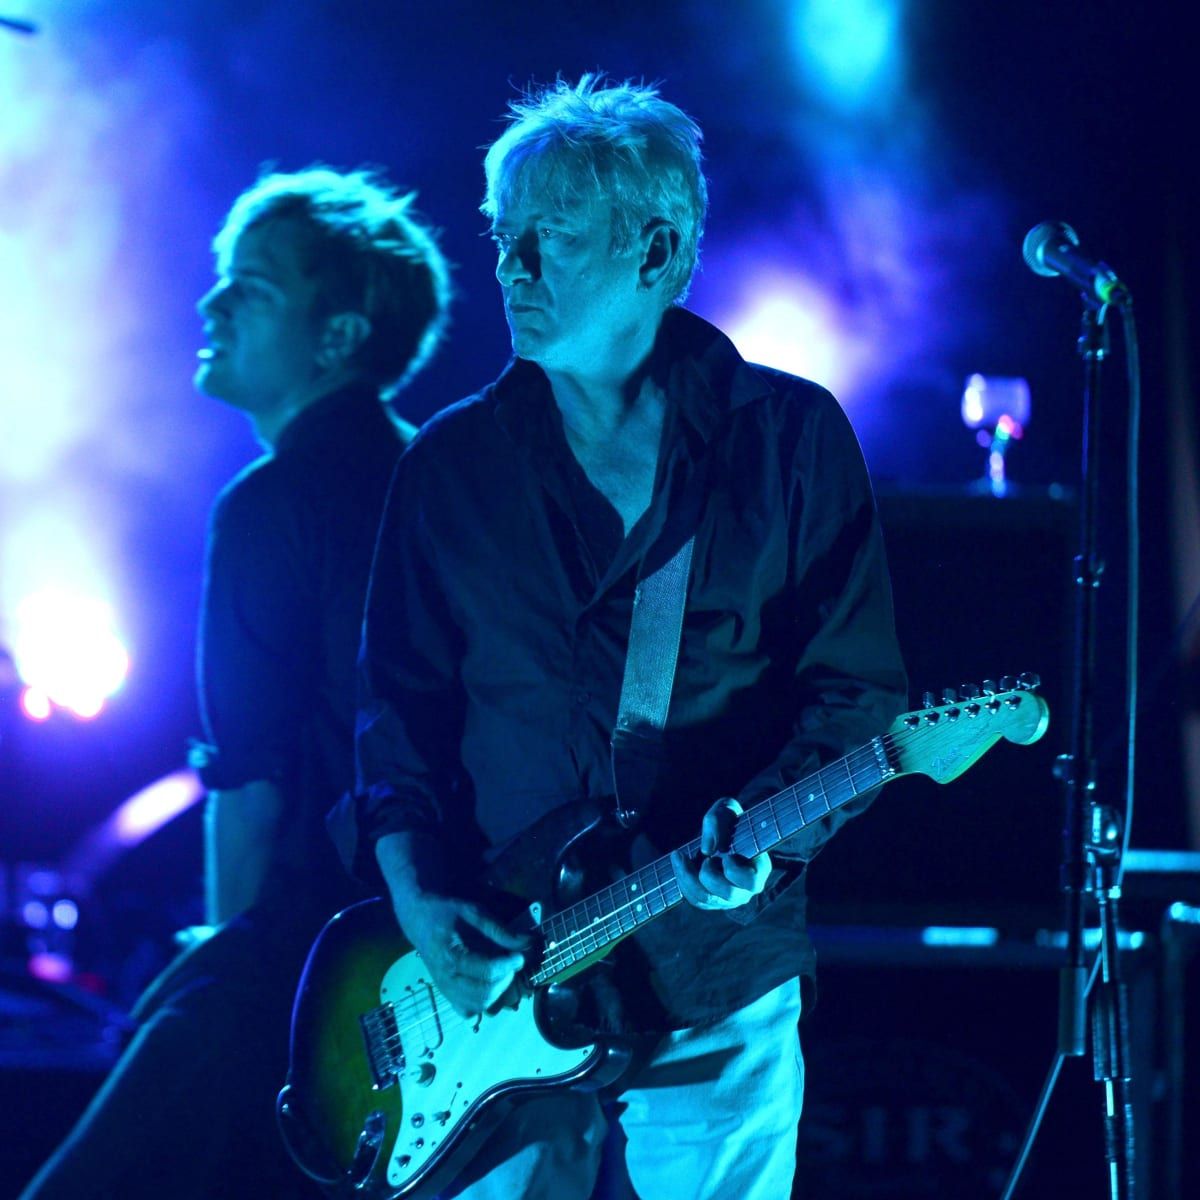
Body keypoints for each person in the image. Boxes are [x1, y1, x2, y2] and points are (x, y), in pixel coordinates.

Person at [345, 77, 907, 1200]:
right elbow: (392, 722)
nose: (509, 268)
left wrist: (762, 850)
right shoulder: (449, 469)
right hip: (494, 989)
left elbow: (859, 699)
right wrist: (416, 902)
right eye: (502, 239)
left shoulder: (787, 442)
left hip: (715, 980)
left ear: (655, 253)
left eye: (545, 239)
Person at [20, 167, 451, 1199]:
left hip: (302, 946)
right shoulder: (440, 478)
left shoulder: (268, 502)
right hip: (419, 963)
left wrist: (232, 962)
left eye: (249, 287)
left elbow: (249, 782)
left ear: (338, 335)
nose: (212, 305)